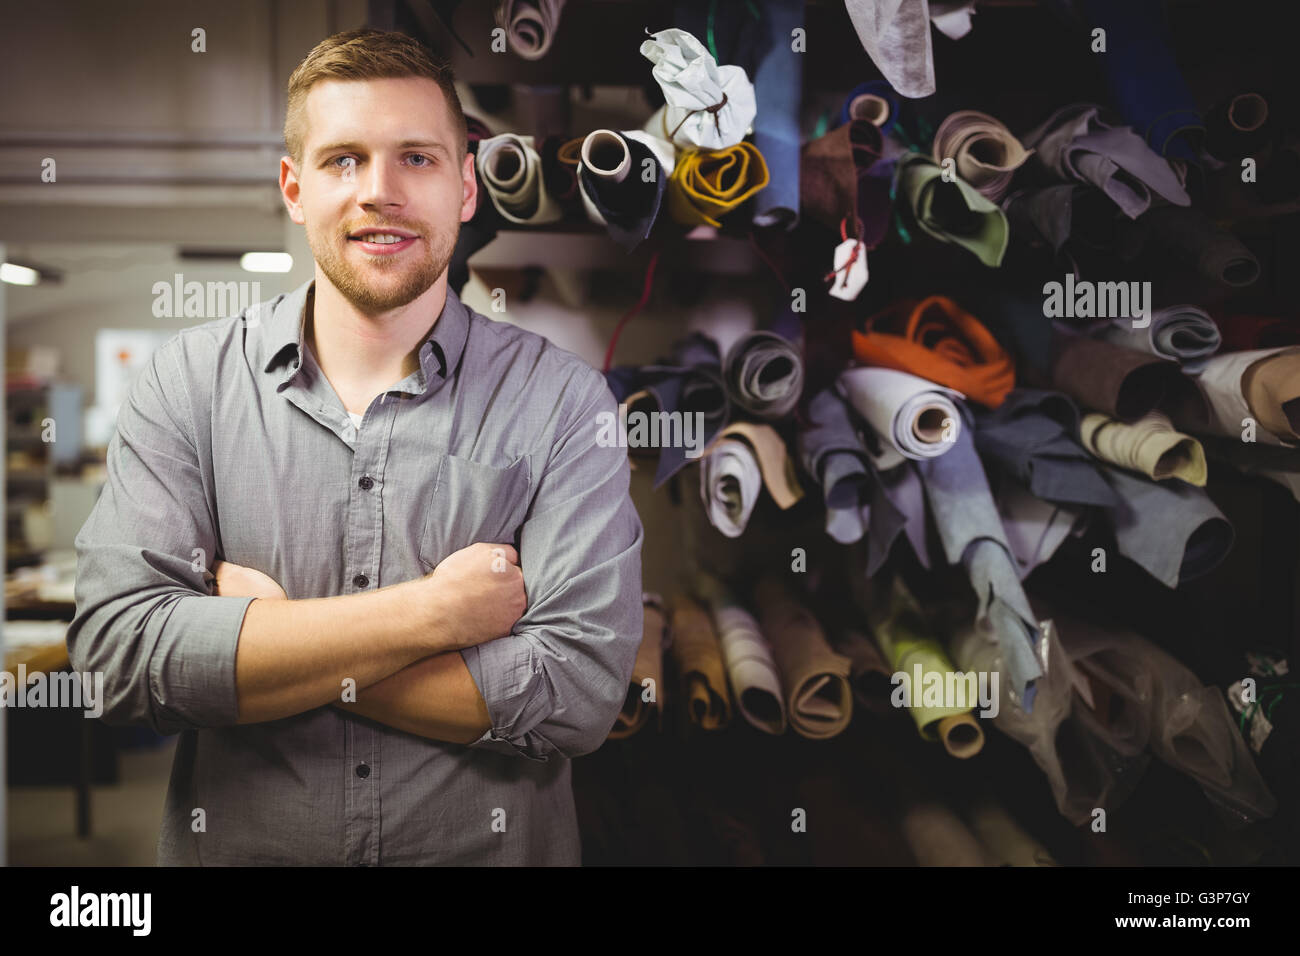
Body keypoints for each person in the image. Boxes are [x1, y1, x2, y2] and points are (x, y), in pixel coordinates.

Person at [67, 28, 644, 865]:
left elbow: (577, 696)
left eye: (416, 158)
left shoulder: (562, 401)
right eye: (344, 160)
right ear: (295, 189)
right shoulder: (187, 383)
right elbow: (118, 660)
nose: (380, 191)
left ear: (466, 187)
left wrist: (268, 639)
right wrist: (434, 616)